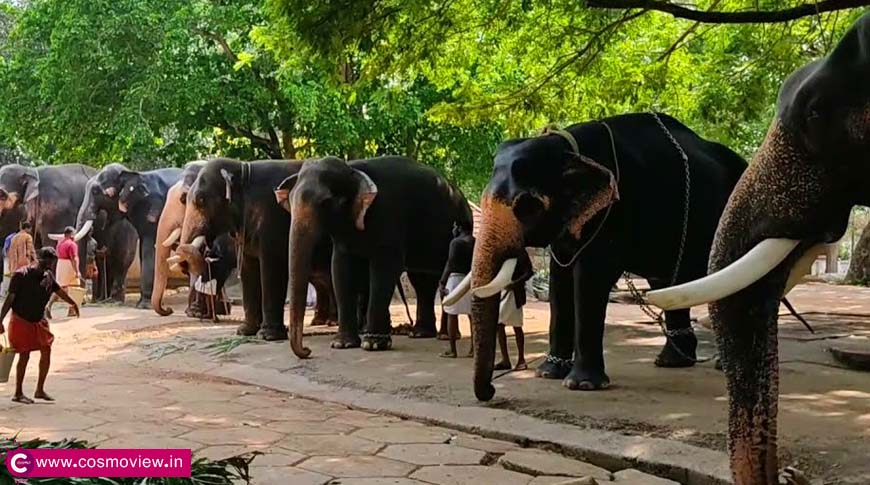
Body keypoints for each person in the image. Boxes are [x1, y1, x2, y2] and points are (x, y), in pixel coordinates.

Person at [0, 247, 80, 403]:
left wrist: (73, 303)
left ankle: (40, 389)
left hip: (39, 320)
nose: (48, 264)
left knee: (46, 349)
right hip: (21, 320)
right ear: (37, 258)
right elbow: (10, 299)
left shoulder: (48, 276)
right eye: (46, 261)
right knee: (24, 354)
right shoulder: (21, 275)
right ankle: (18, 392)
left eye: (51, 261)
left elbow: (59, 291)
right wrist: (0, 319)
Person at [439, 223, 474, 358]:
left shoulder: (456, 242)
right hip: (470, 280)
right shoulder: (475, 242)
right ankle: (473, 348)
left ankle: (453, 350)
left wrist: (442, 281)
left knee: (452, 314)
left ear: (459, 228)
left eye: (454, 226)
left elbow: (451, 262)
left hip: (455, 280)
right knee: (472, 316)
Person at [494, 250, 533, 371]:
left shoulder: (520, 252)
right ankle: (505, 359)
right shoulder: (502, 252)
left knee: (516, 325)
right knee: (499, 325)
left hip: (514, 293)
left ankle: (521, 359)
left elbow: (529, 272)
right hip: (502, 291)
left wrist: (515, 283)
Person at [46, 227, 81, 319]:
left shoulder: (60, 243)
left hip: (60, 264)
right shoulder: (72, 244)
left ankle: (49, 305)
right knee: (74, 288)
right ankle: (72, 309)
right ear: (71, 234)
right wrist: (77, 271)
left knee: (61, 288)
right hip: (69, 266)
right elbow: (74, 258)